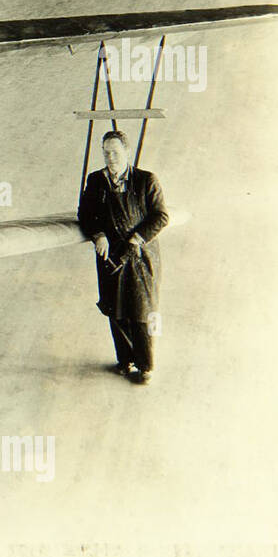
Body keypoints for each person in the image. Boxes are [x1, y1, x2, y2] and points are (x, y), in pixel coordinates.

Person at [76, 130, 169, 385]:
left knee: (140, 311)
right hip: (111, 256)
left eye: (115, 152)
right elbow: (84, 214)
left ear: (127, 152)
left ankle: (146, 366)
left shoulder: (146, 180)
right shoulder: (96, 181)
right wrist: (98, 235)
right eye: (106, 152)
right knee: (115, 310)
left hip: (140, 256)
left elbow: (161, 216)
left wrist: (136, 239)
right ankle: (125, 360)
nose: (111, 157)